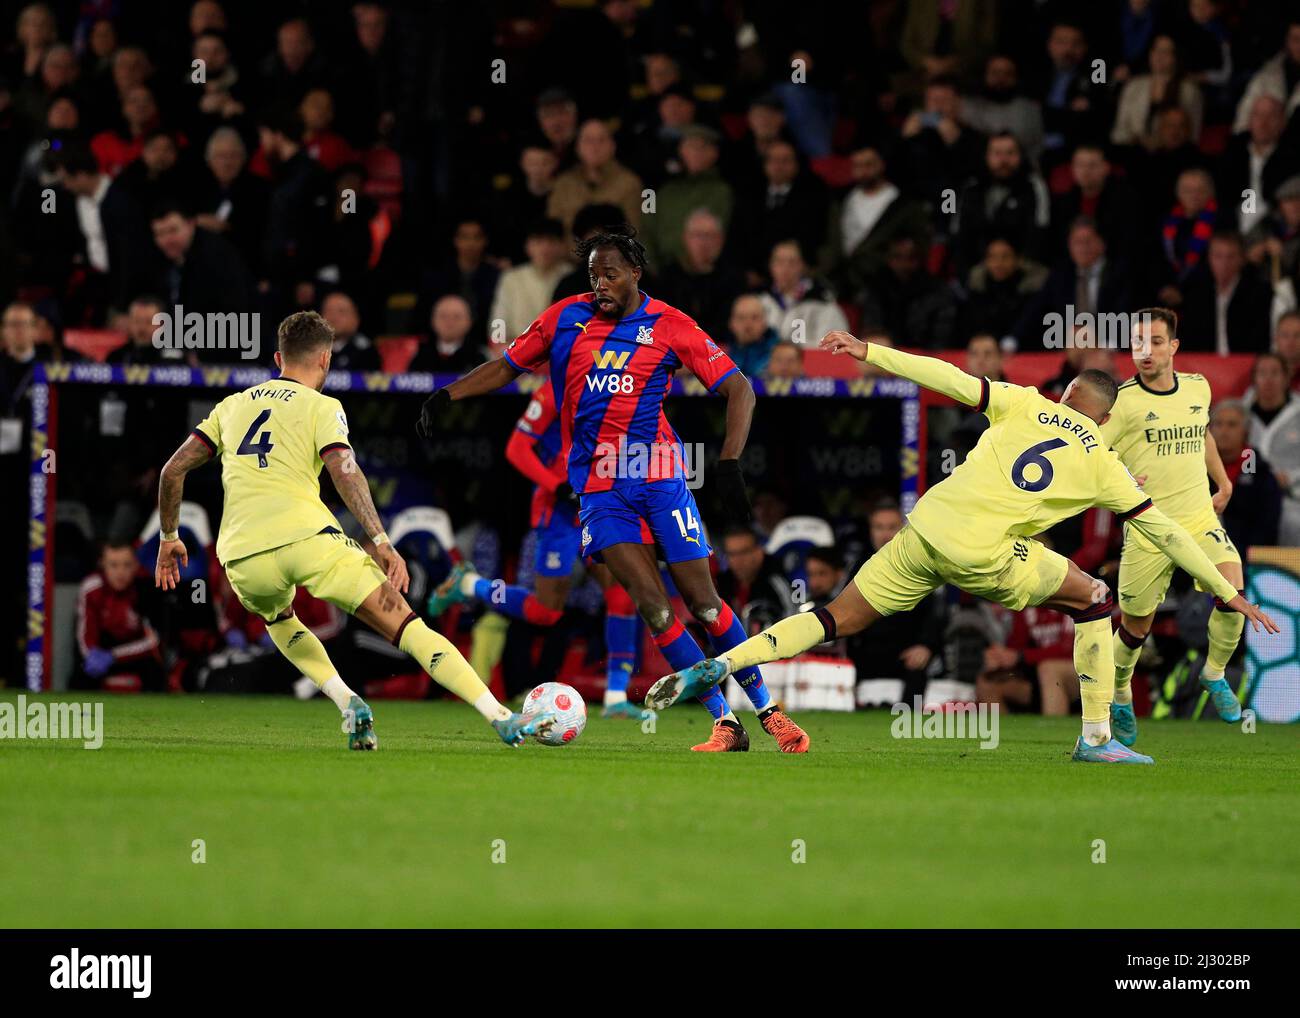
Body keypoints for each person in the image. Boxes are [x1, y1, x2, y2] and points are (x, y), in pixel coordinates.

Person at [647, 330, 1280, 765]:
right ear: (1105, 414)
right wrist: (1227, 589)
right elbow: (1166, 530)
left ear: (1065, 397)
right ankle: (1095, 738)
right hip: (985, 554)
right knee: (1093, 599)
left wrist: (869, 350)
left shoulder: (1023, 402)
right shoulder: (1107, 465)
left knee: (833, 617)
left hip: (924, 528)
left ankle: (725, 665)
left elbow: (945, 378)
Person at [417, 225, 810, 753]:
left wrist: (729, 463)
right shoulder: (563, 318)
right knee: (654, 607)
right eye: (593, 274)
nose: (600, 283)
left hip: (662, 479)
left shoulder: (670, 325)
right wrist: (449, 394)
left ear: (635, 274)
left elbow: (739, 387)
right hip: (600, 490)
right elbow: (508, 367)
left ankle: (768, 711)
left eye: (610, 274)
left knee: (707, 605)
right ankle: (725, 723)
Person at [154, 311, 551, 750]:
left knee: (280, 621)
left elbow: (172, 471)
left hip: (242, 558)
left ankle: (347, 704)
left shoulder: (231, 405)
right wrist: (381, 541)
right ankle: (498, 715)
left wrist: (169, 538)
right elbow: (344, 471)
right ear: (325, 359)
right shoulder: (322, 406)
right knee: (408, 627)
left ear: (277, 357)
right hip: (308, 540)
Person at [428, 378, 645, 719]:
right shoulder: (552, 391)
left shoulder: (620, 385)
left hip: (601, 508)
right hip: (557, 515)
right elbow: (516, 448)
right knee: (547, 611)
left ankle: (616, 694)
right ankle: (469, 585)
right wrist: (556, 485)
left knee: (621, 593)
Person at [1100, 308, 1249, 744]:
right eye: (1138, 343)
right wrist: (1124, 479)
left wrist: (1222, 482)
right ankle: (1121, 691)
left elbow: (1200, 434)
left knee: (1233, 591)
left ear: (1174, 347)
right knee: (1134, 629)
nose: (1146, 351)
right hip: (1148, 527)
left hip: (1199, 516)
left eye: (1156, 342)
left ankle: (1214, 673)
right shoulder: (1121, 403)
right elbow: (1093, 453)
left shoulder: (1198, 387)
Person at [76, 540, 164, 691]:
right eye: (114, 565)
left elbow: (153, 640)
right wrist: (92, 655)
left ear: (136, 565)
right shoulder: (91, 588)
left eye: (127, 565)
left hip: (136, 655)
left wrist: (114, 656)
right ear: (103, 565)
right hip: (101, 652)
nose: (120, 572)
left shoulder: (147, 587)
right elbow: (85, 636)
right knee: (80, 678)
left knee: (156, 675)